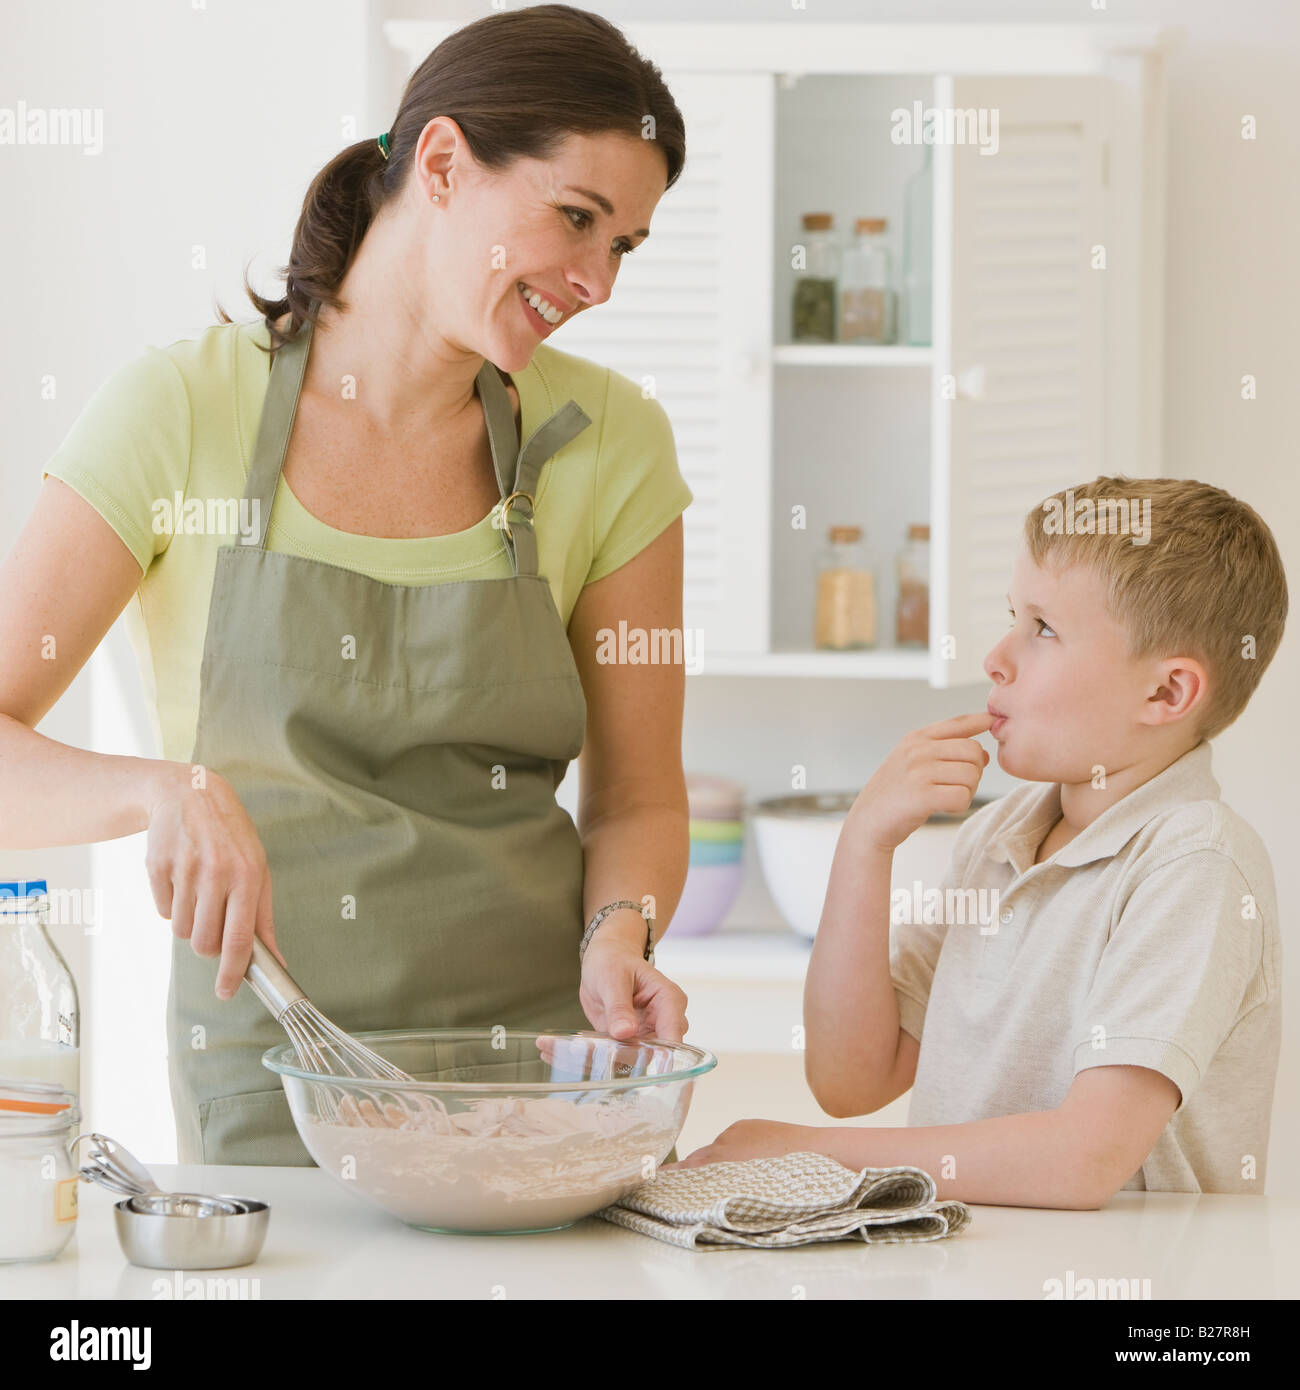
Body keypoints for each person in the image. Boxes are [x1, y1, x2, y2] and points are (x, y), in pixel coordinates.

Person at [0, 4, 695, 1164]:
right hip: (280, 1085)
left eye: (622, 245)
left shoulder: (610, 442)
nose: (596, 282)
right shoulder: (182, 411)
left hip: (540, 1093)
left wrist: (620, 932)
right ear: (439, 161)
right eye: (575, 217)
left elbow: (637, 800)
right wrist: (160, 793)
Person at [679, 476, 1287, 1203]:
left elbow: (1086, 1158)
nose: (998, 657)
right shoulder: (998, 835)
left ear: (1165, 694)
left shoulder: (1194, 863)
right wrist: (865, 843)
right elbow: (850, 1079)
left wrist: (808, 1154)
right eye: (1013, 616)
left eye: (1045, 629)